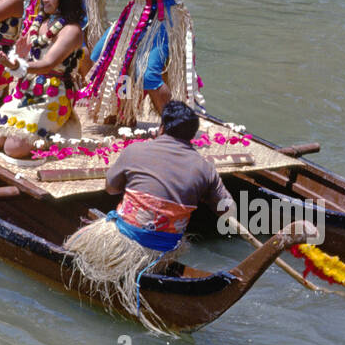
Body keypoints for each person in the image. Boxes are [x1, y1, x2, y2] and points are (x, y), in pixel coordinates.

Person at [63, 101, 234, 332]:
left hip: (122, 238)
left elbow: (111, 189)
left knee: (74, 243)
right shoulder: (205, 169)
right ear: (192, 136)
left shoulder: (135, 151)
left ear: (162, 128)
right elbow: (228, 210)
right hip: (163, 249)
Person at [0, 0, 86, 159]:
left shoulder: (71, 30)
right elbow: (29, 58)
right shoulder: (38, 22)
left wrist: (17, 65)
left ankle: (56, 133)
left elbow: (47, 64)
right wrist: (19, 58)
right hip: (27, 88)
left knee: (13, 148)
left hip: (53, 94)